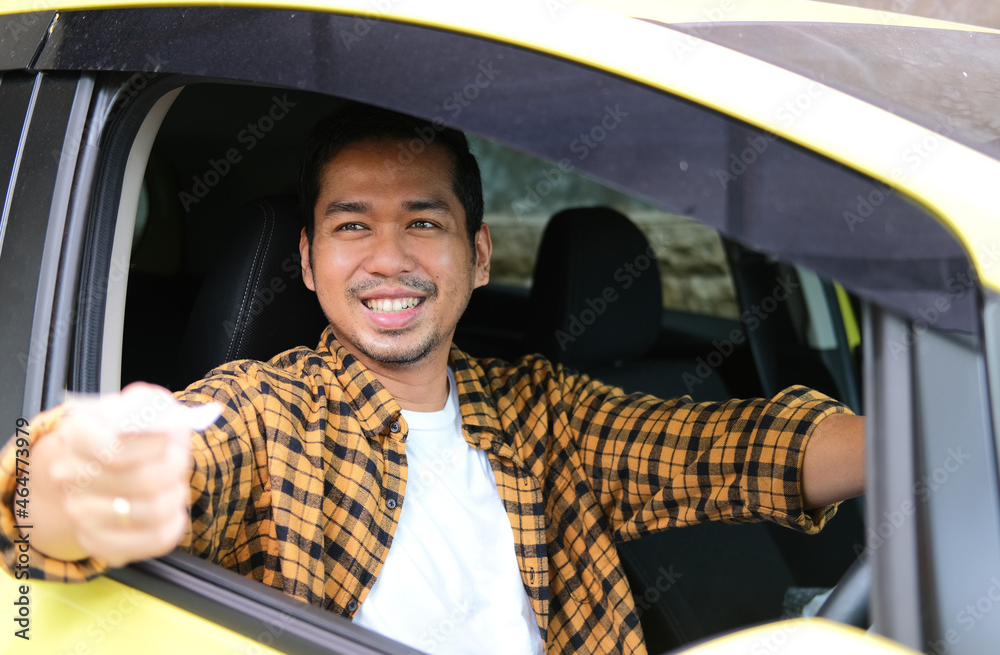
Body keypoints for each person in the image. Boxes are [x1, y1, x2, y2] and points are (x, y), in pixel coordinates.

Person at [0, 104, 864, 654]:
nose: (388, 258)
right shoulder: (268, 412)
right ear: (308, 260)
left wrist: (922, 437)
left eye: (423, 222)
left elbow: (745, 449)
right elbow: (43, 506)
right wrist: (74, 473)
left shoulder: (543, 411)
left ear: (478, 255)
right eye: (351, 226)